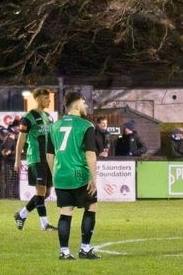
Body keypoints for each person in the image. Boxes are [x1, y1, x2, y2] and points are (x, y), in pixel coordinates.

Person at [45, 90, 105, 260]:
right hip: (79, 175)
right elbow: (90, 154)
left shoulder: (54, 126)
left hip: (61, 176)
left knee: (66, 212)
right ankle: (85, 249)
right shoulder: (86, 126)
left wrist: (55, 174)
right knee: (91, 207)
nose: (86, 106)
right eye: (85, 103)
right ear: (78, 103)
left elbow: (50, 155)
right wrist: (93, 179)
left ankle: (64, 252)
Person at [14, 88, 56, 232]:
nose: (49, 101)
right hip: (36, 158)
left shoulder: (49, 117)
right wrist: (17, 159)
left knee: (47, 193)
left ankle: (21, 214)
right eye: (46, 98)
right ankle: (44, 224)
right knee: (40, 191)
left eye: (48, 98)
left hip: (48, 159)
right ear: (37, 98)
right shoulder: (28, 117)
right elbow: (21, 139)